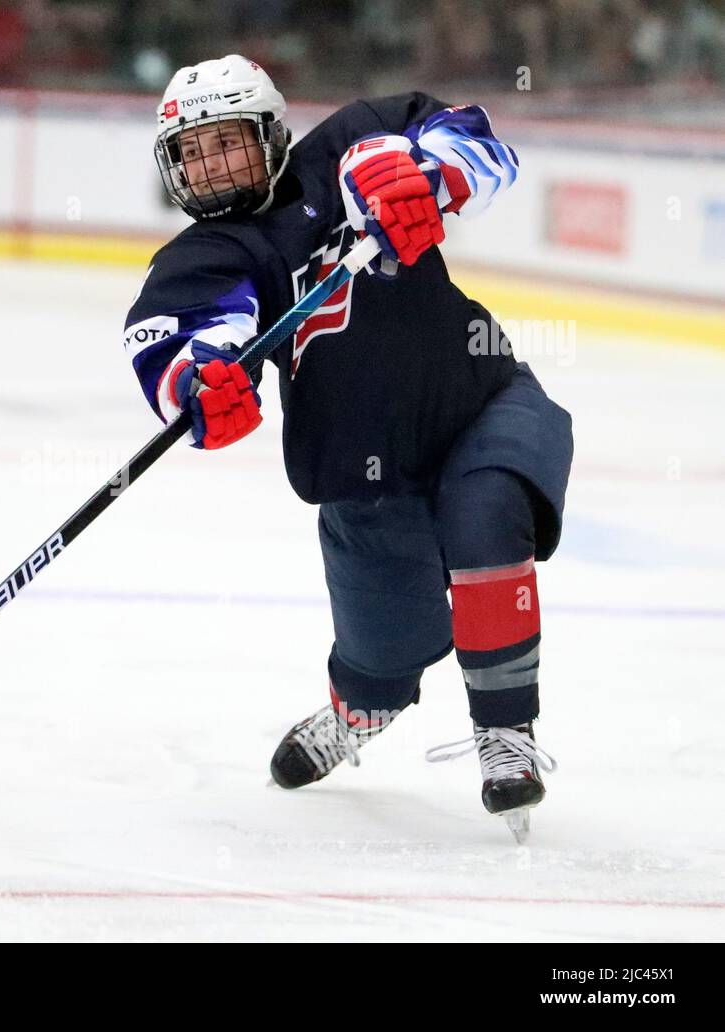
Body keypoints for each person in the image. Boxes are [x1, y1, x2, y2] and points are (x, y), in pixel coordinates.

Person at [122, 54, 573, 840]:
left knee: (487, 512)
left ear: (272, 135)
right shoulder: (210, 256)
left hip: (482, 401)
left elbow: (479, 141)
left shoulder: (355, 140)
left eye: (226, 141)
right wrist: (198, 386)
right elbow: (177, 345)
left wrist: (428, 178)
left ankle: (508, 735)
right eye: (193, 152)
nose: (211, 165)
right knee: (381, 661)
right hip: (363, 475)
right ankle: (358, 711)